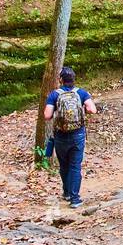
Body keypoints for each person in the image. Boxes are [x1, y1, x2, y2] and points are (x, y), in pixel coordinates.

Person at [43, 67, 97, 208]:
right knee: (75, 165)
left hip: (60, 135)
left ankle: (66, 192)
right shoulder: (81, 93)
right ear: (73, 79)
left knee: (64, 164)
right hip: (77, 134)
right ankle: (75, 199)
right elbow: (92, 109)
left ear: (61, 80)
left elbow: (47, 116)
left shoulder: (54, 95)